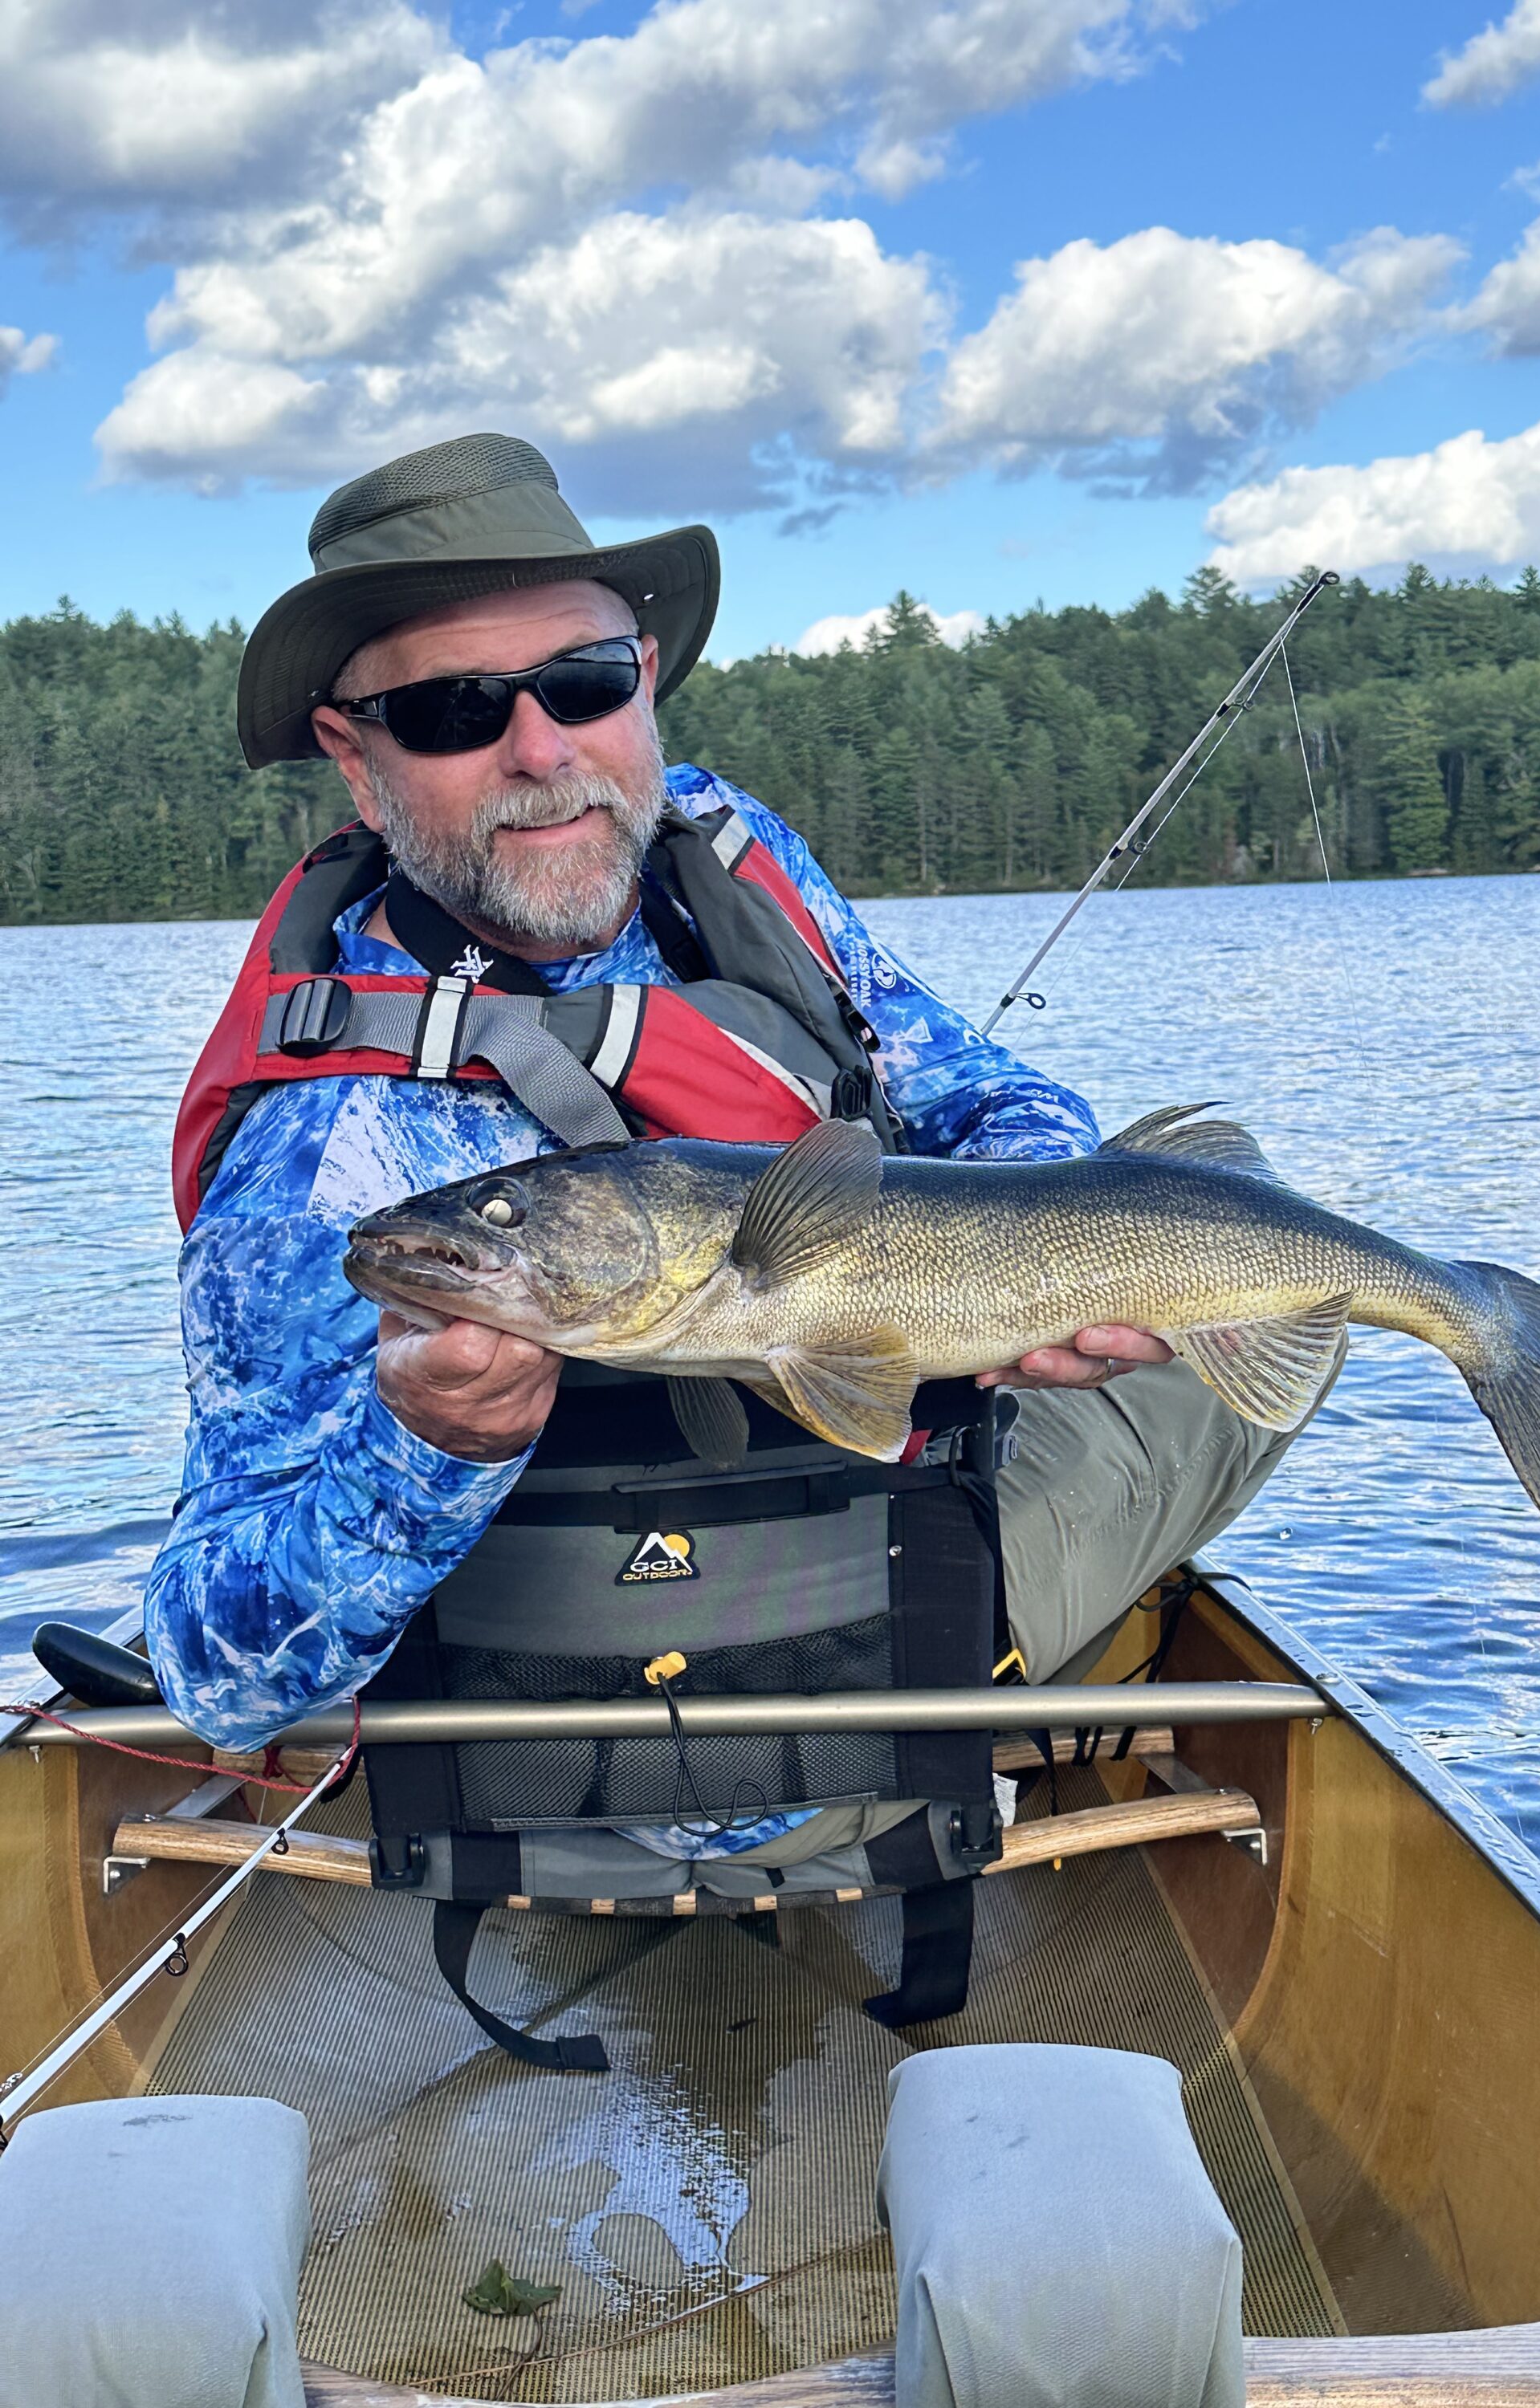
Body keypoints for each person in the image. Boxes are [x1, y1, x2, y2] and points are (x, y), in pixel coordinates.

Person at [145, 432, 1330, 1887]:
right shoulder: (323, 1153)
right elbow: (214, 1676)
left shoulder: (721, 847)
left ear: (643, 673)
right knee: (1280, 1314)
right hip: (646, 1768)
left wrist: (1037, 1267)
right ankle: (1028, 1669)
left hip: (870, 1570)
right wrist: (431, 1446)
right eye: (455, 710)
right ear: (354, 750)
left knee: (1232, 1210)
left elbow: (974, 1091)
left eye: (583, 683)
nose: (544, 751)